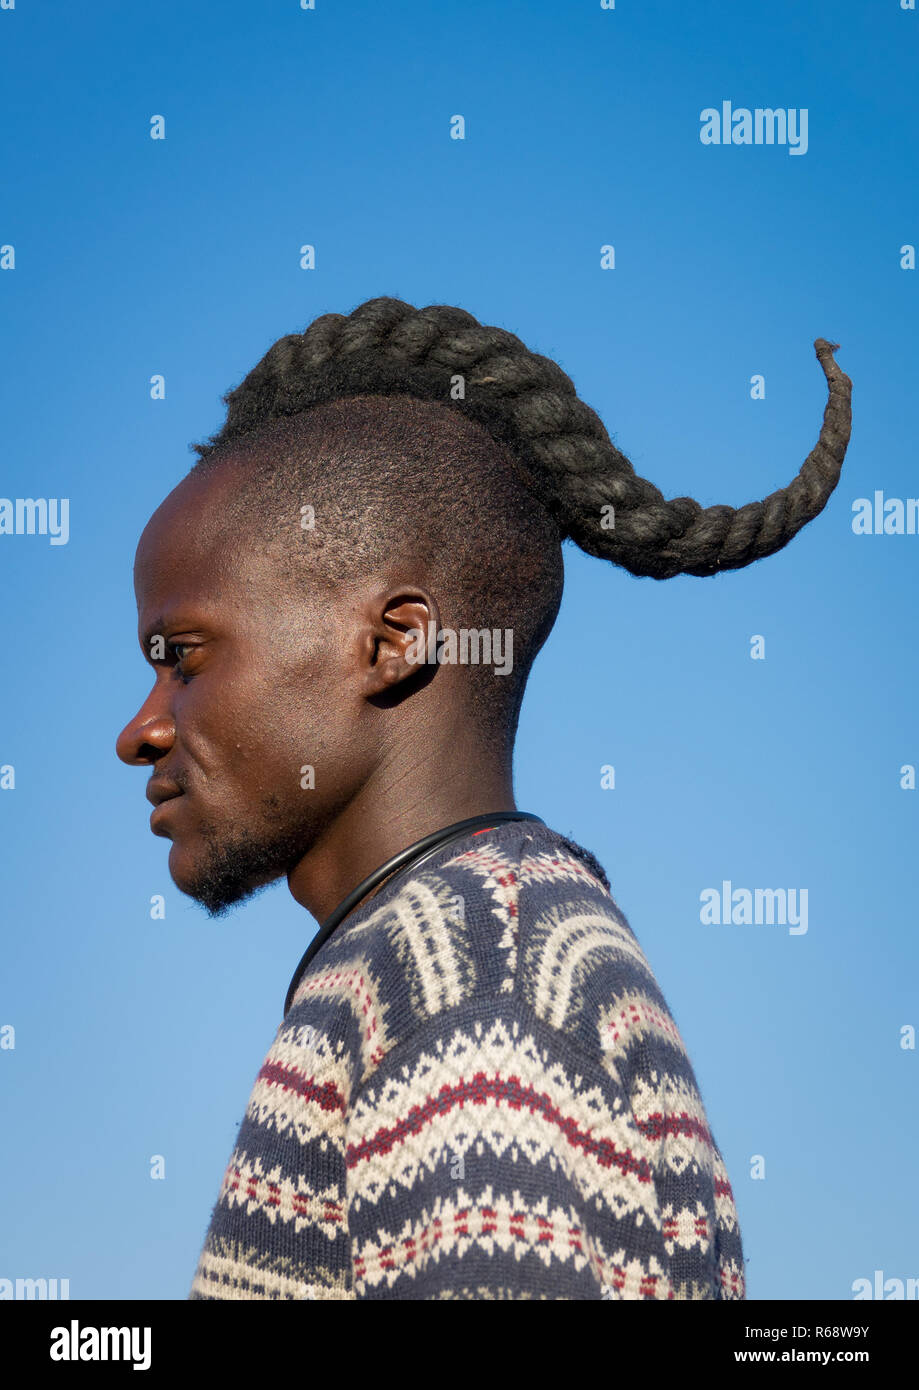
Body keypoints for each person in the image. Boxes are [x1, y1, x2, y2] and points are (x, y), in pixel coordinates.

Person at [116, 296, 852, 1299]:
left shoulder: (476, 971)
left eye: (185, 659)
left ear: (392, 643)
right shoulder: (451, 952)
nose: (141, 729)